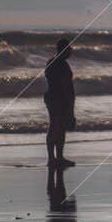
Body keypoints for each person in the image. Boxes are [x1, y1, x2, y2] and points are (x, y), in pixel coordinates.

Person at [43, 36, 77, 168]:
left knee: (60, 128)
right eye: (68, 49)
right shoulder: (58, 64)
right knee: (55, 127)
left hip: (56, 98)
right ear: (63, 49)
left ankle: (58, 157)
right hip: (57, 99)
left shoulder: (54, 62)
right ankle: (52, 158)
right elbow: (64, 85)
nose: (70, 51)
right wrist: (69, 103)